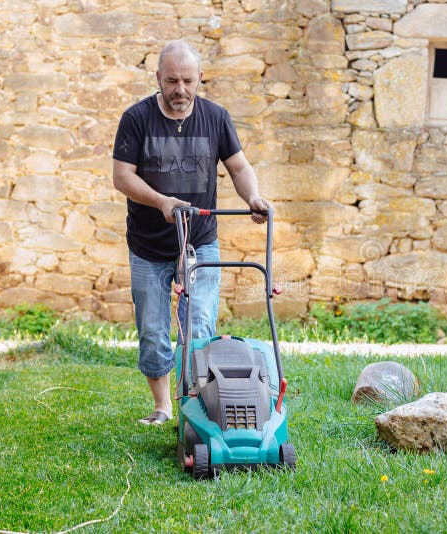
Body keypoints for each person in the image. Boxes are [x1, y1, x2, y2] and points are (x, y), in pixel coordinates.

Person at [112, 40, 272, 425]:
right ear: (158, 78)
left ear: (200, 77)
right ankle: (162, 407)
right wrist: (161, 201)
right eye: (171, 81)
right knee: (153, 331)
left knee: (199, 325)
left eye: (187, 80)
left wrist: (253, 197)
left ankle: (195, 404)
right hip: (149, 246)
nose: (180, 89)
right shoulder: (136, 118)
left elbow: (239, 167)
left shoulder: (216, 117)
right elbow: (122, 177)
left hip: (200, 243)